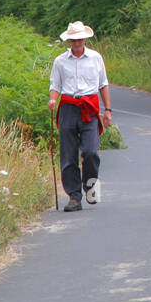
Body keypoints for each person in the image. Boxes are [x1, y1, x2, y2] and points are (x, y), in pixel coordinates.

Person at [48, 20, 112, 212]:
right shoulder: (60, 61)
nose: (77, 42)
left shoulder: (95, 58)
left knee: (91, 152)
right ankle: (74, 197)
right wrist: (53, 100)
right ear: (69, 41)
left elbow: (103, 84)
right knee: (68, 155)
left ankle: (91, 187)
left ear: (85, 38)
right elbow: (55, 85)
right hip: (68, 107)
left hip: (89, 108)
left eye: (80, 39)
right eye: (73, 39)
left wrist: (107, 110)